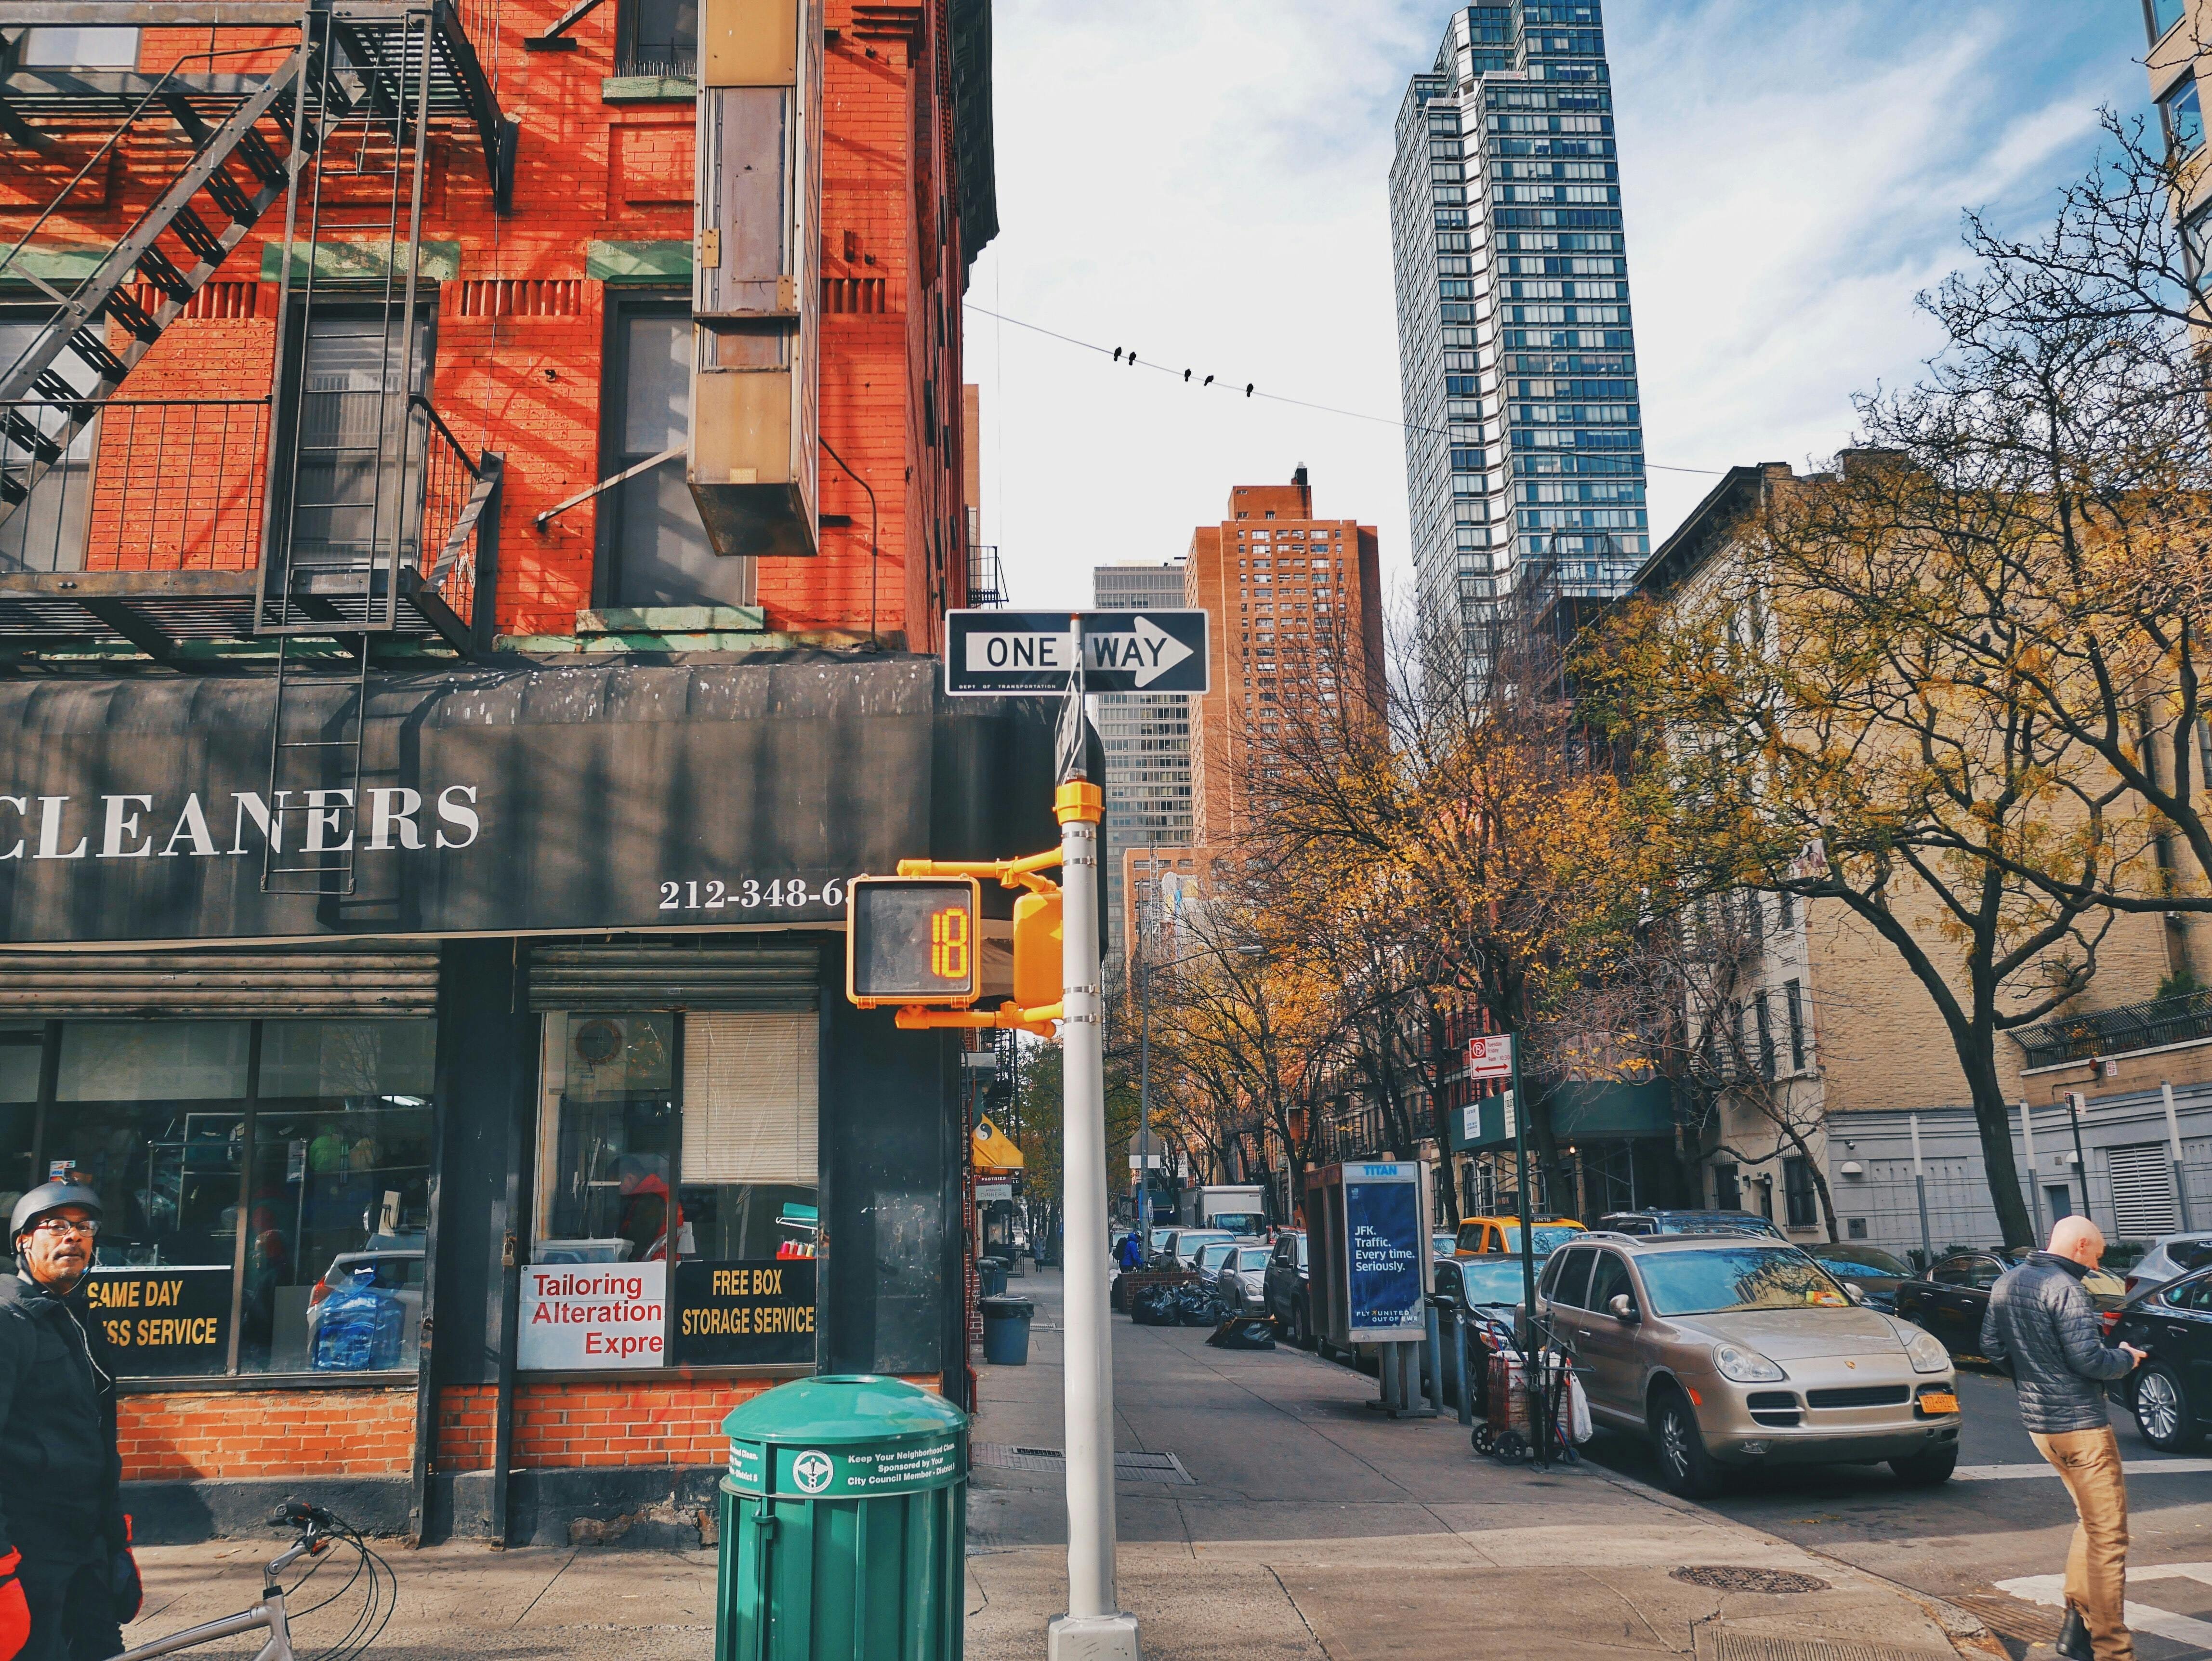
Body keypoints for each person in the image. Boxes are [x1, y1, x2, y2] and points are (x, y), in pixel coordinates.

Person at [1980, 1216, 2146, 1661]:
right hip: (2082, 1429)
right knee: (2109, 1538)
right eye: (2097, 1253)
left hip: (2041, 1427)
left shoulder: (2008, 1282)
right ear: (2080, 1246)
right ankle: (2113, 1649)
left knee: (2088, 1523)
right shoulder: (2067, 1288)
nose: (2097, 1263)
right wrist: (2126, 1359)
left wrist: (2035, 1379)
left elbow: (1992, 1347)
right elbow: (2090, 1360)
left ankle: (2077, 1627)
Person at [0, 1181, 140, 1661]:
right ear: (23, 1240)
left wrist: (116, 1542)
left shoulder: (77, 1319)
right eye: (56, 1225)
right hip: (29, 1556)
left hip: (86, 1549)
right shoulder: (7, 1319)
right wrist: (1, 1567)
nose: (73, 1237)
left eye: (84, 1227)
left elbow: (100, 1440)